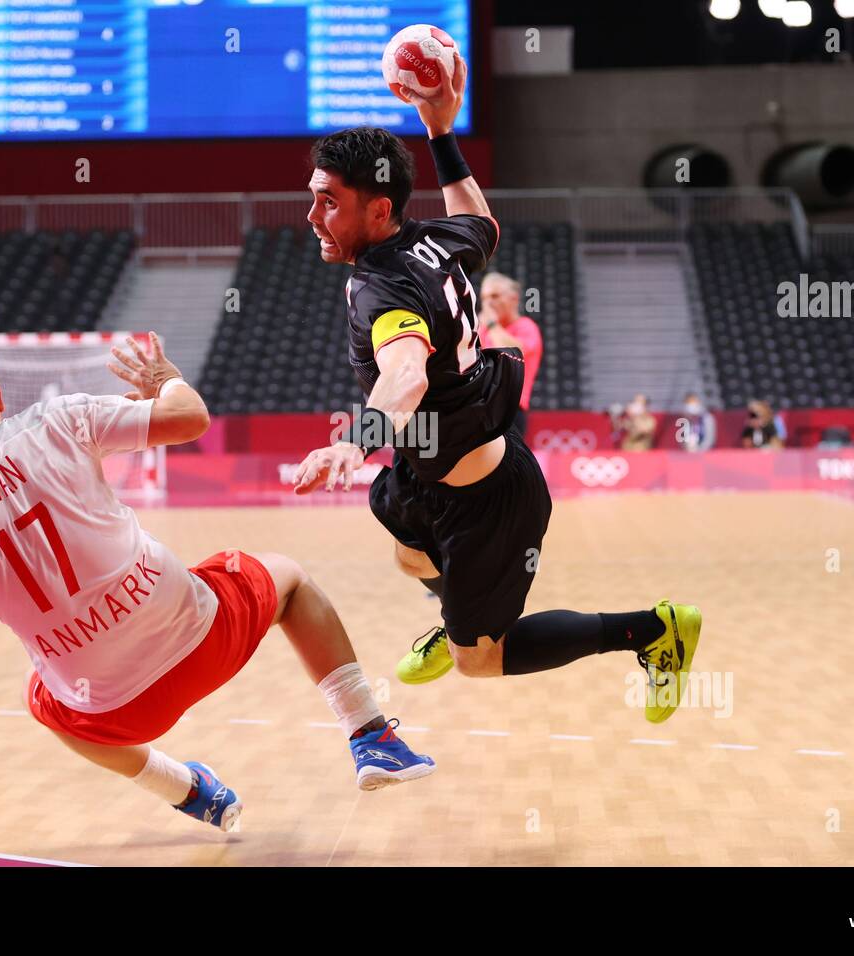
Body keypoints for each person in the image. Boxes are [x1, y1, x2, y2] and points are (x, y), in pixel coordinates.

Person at [0, 337, 432, 828]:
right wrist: (165, 378)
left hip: (116, 710)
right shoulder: (57, 417)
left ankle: (190, 791)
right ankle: (370, 734)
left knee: (45, 703)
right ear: (0, 397)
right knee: (291, 581)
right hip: (204, 637)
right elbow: (190, 418)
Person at [292, 54, 701, 723]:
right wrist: (441, 132)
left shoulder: (382, 284)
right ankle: (454, 607)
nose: (312, 214)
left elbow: (404, 372)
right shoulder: (434, 241)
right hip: (428, 472)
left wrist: (355, 443)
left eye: (328, 200)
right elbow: (484, 225)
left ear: (379, 209)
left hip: (486, 502)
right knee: (407, 554)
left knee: (478, 659)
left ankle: (652, 630)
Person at [477, 272, 541, 435]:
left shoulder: (527, 327)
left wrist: (491, 324)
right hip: (478, 409)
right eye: (484, 298)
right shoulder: (481, 329)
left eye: (495, 296)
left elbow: (511, 355)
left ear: (514, 298)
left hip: (510, 411)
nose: (488, 303)